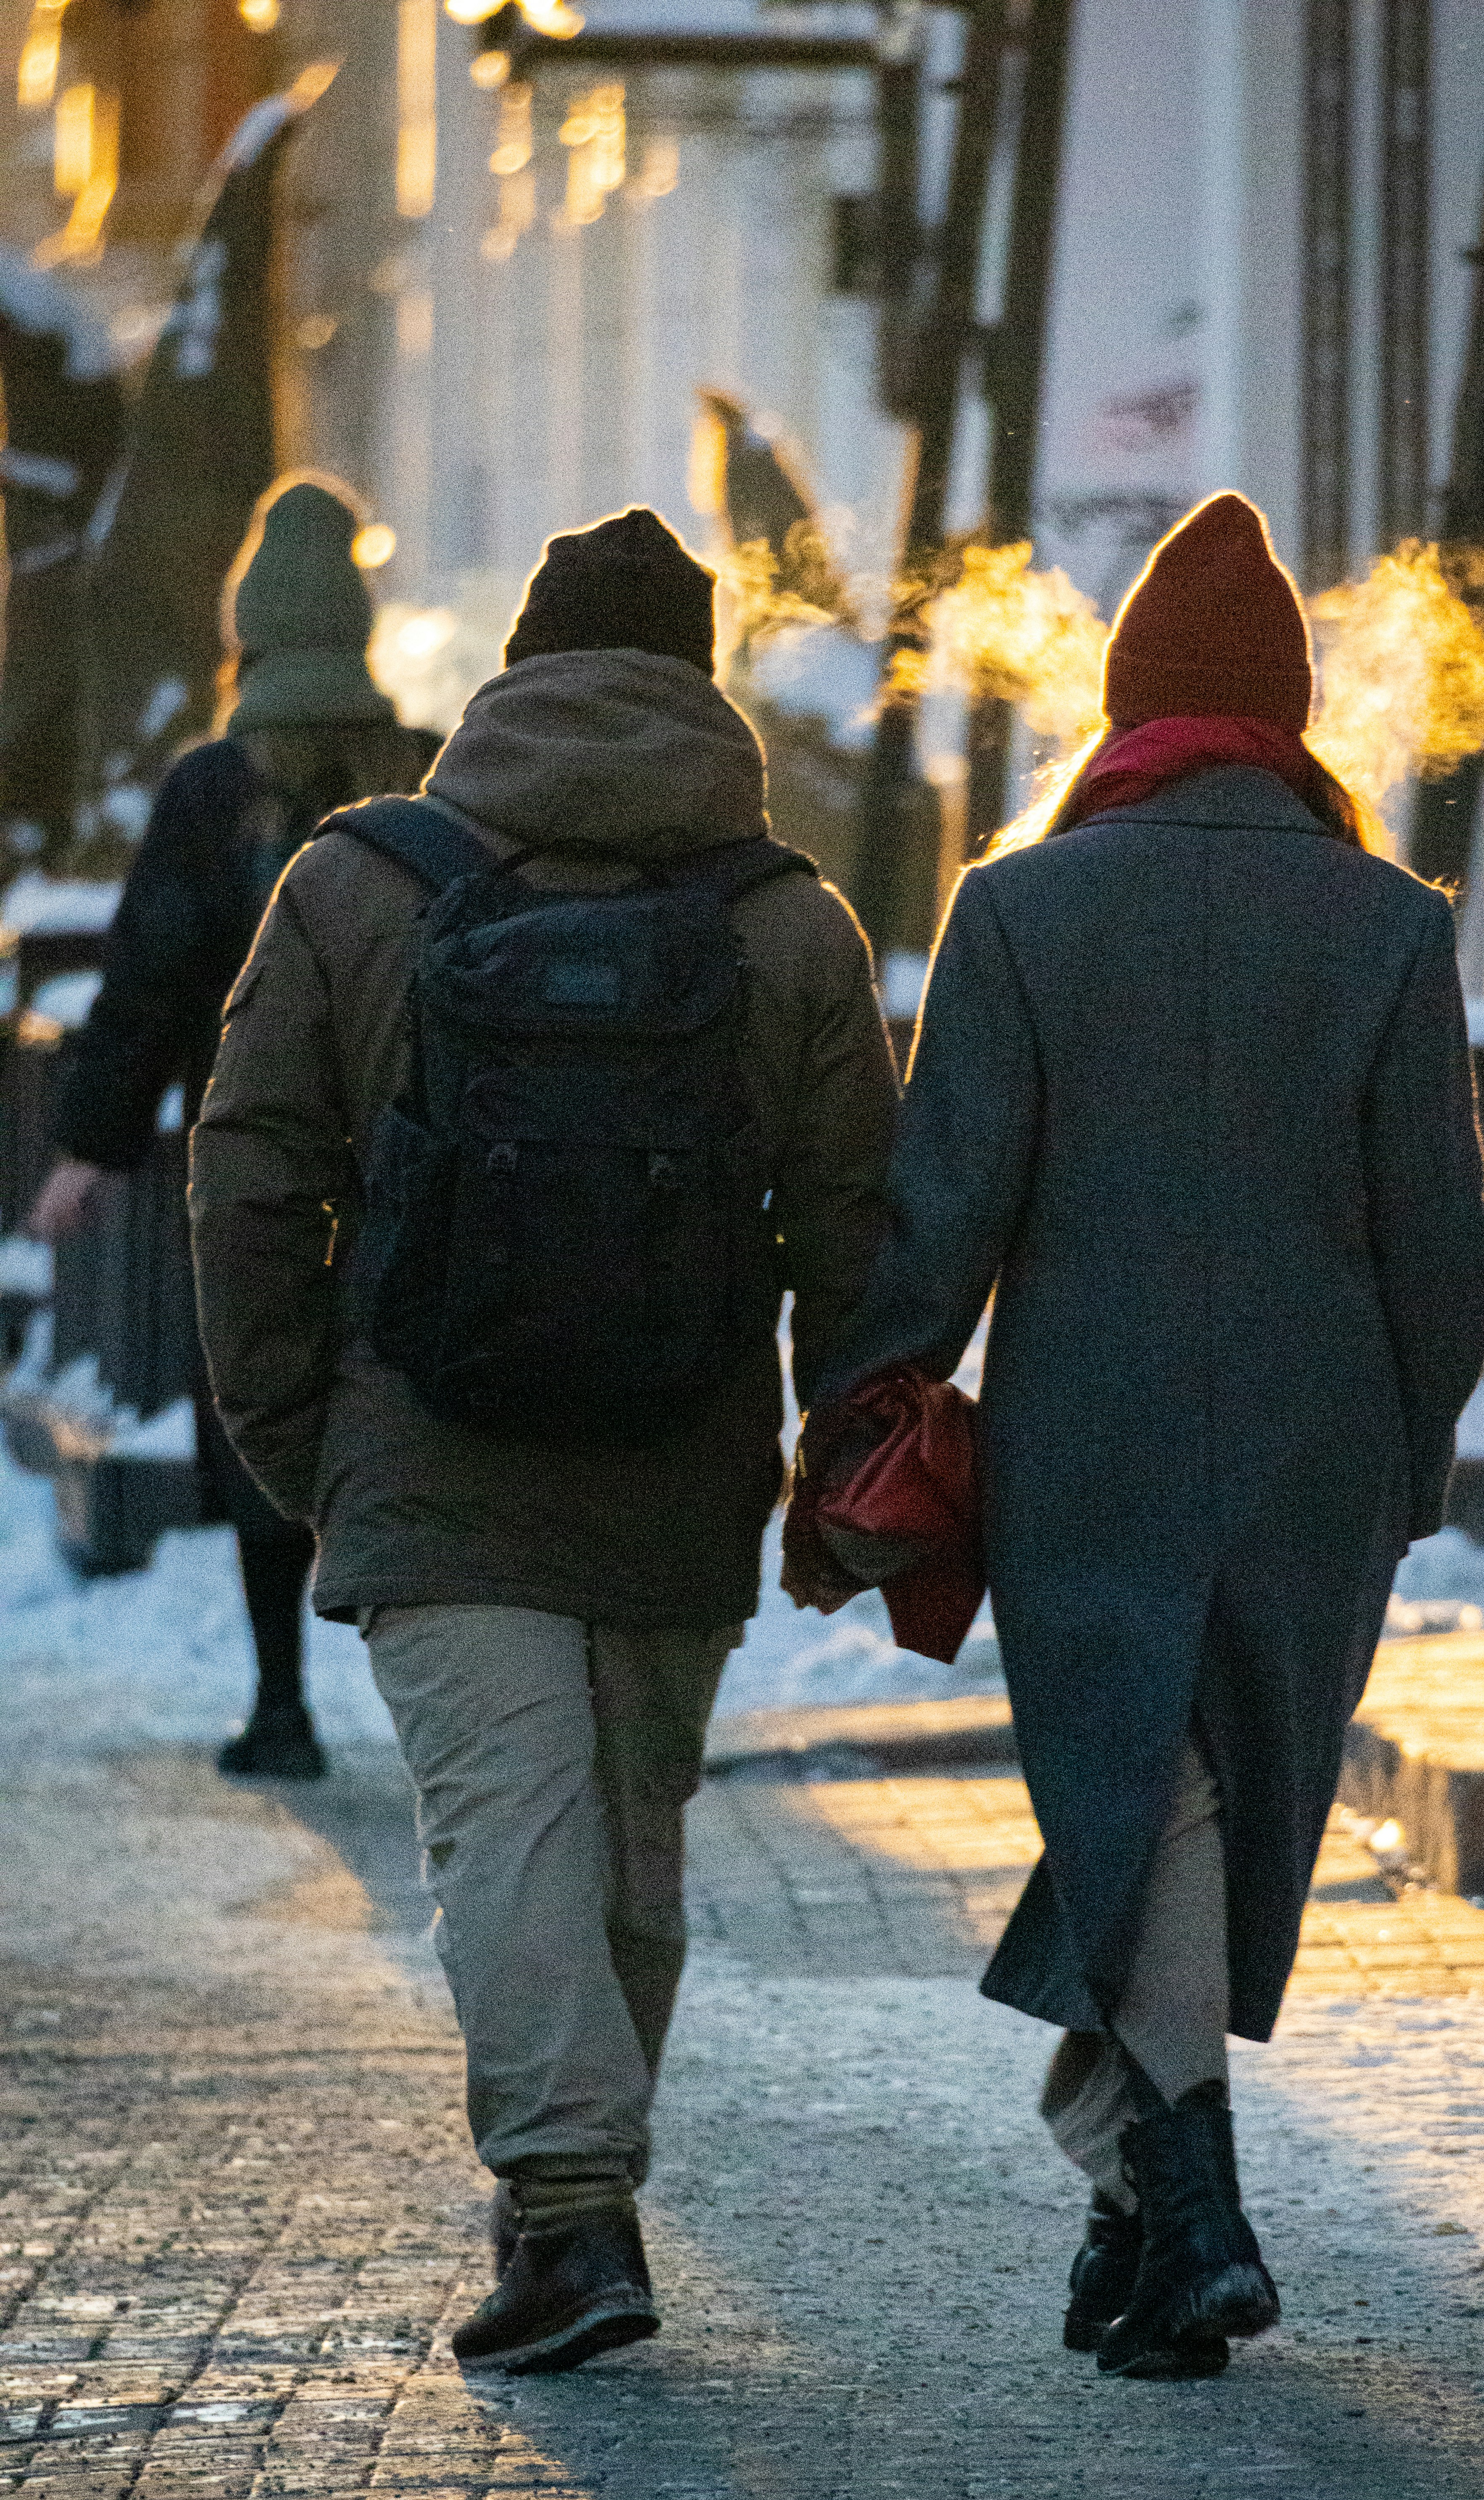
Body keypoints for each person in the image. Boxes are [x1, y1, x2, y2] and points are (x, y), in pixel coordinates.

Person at [789, 492, 1484, 2380]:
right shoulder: (1384, 925)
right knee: (1199, 1805)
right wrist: (1411, 1463)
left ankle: (1177, 2204)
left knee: (1140, 1799)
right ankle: (1153, 2221)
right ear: (1286, 718)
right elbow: (1443, 1234)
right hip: (1313, 1446)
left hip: (1085, 1442)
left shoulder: (1018, 911)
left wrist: (851, 1418)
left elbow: (942, 1216)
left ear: (1126, 711)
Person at [186, 505, 898, 2374]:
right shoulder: (789, 921)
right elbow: (852, 1229)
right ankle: (570, 2199)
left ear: (515, 669)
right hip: (679, 1463)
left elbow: (251, 1175)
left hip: (428, 1452)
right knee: (623, 1858)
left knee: (506, 1834)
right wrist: (839, 1457)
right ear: (703, 683)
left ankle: (571, 2216)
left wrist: (302, 1438)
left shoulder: (358, 884)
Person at [29, 473, 437, 1781]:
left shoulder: (211, 790)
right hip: (413, 1160)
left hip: (251, 1161)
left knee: (260, 1409)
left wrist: (90, 1144)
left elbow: (148, 975)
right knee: (413, 1416)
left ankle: (281, 1709)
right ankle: (443, 1711)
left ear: (247, 637)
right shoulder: (422, 775)